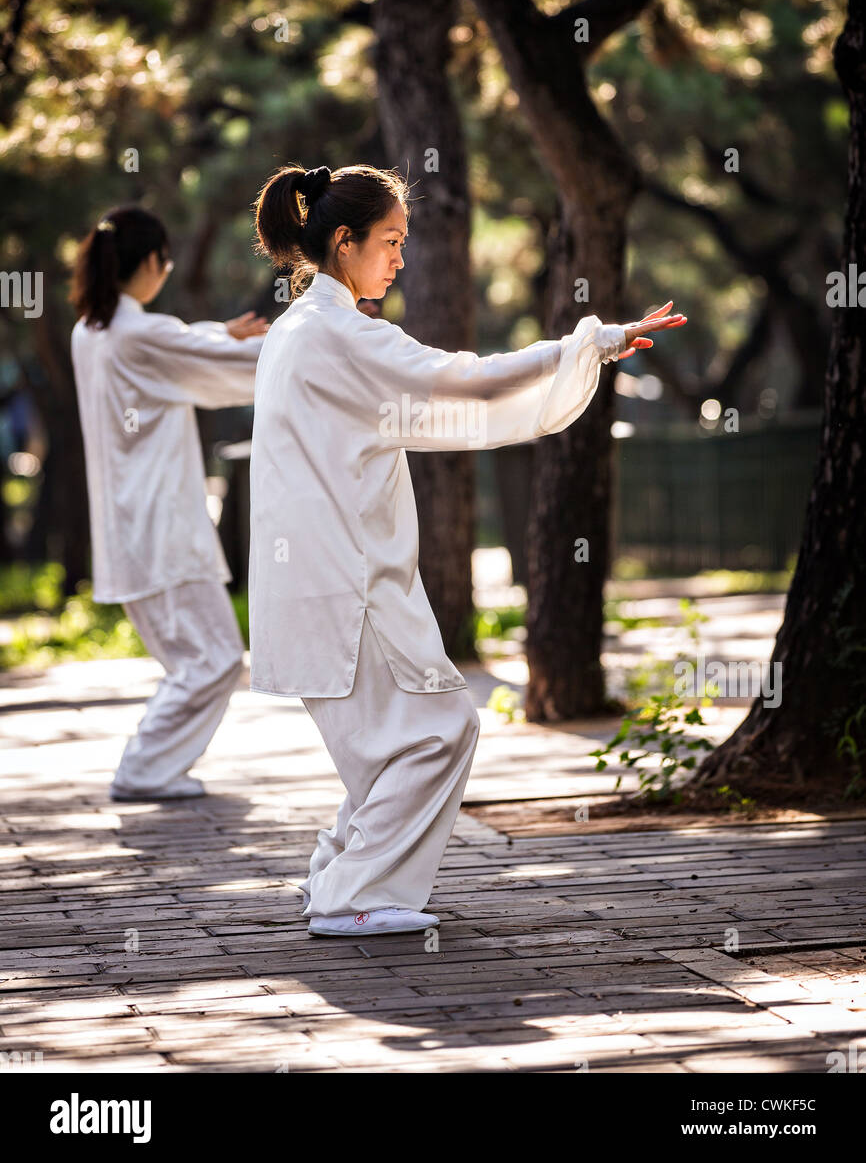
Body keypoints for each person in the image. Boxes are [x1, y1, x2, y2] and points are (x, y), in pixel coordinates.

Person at [249, 163, 687, 937]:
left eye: (404, 242)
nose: (401, 259)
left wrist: (585, 355)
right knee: (440, 728)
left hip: (330, 579)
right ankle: (352, 894)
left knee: (401, 741)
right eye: (390, 241)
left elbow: (440, 414)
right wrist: (590, 340)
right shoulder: (339, 333)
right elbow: (467, 386)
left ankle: (340, 875)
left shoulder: (305, 330)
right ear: (343, 242)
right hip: (348, 584)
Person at [70, 206, 268, 801]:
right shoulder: (141, 334)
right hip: (163, 527)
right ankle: (144, 769)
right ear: (153, 263)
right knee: (214, 659)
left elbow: (178, 348)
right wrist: (312, 342)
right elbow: (209, 363)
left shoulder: (90, 332)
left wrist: (216, 334)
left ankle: (150, 768)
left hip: (130, 528)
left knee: (201, 659)